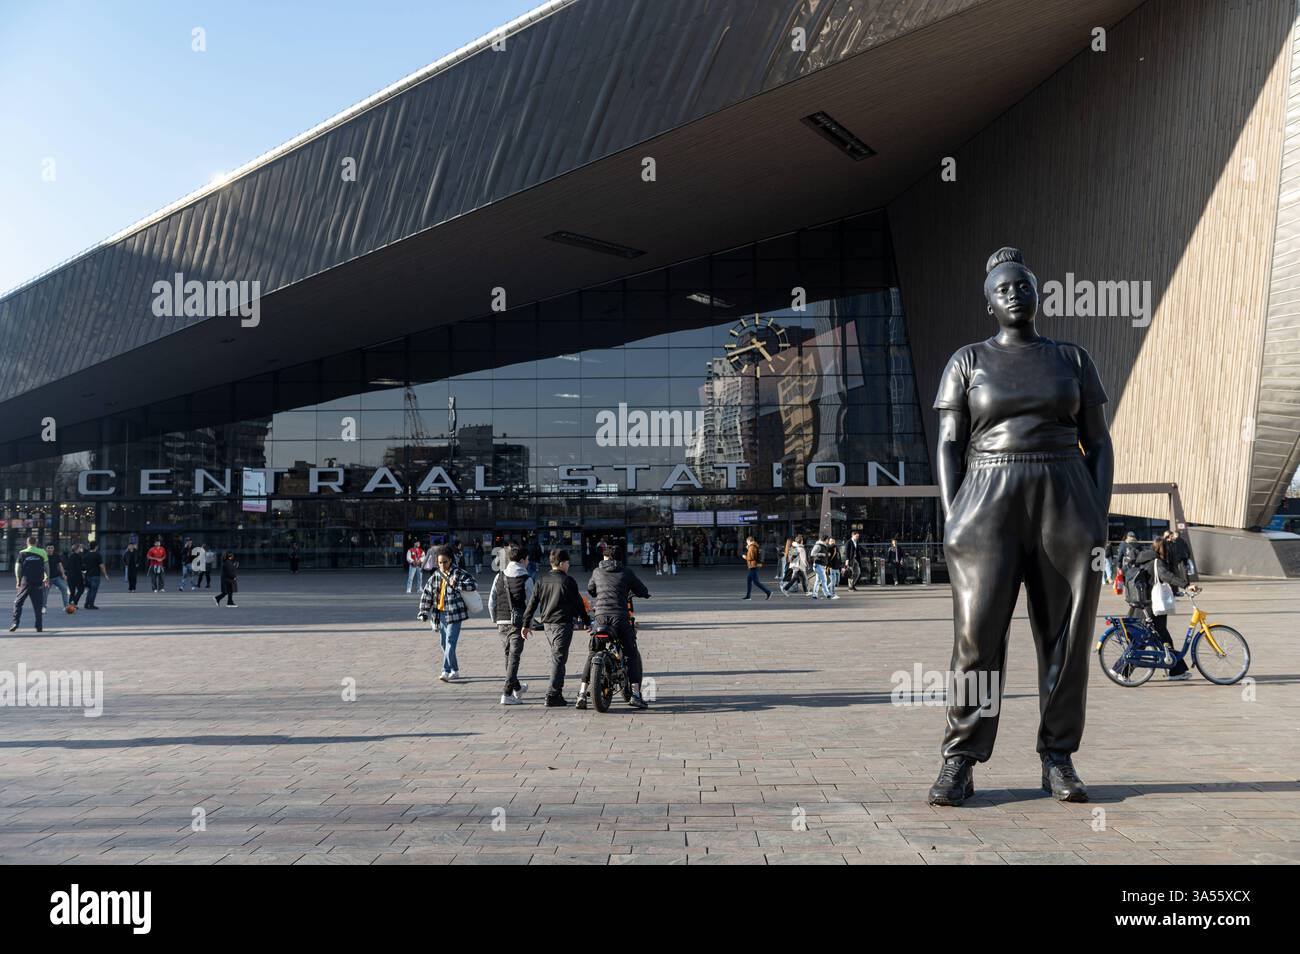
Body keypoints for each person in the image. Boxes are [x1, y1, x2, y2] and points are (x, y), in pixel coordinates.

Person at [927, 246, 1111, 807]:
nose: (1014, 293)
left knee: (1066, 637)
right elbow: (950, 444)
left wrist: (1095, 515)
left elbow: (1099, 443)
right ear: (989, 302)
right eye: (1003, 288)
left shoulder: (1072, 359)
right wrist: (955, 512)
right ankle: (961, 758)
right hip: (987, 495)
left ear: (1039, 295)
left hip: (1064, 494)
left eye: (1024, 286)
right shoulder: (967, 361)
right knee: (977, 636)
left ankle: (1058, 757)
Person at [576, 542, 651, 710]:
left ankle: (581, 693)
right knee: (631, 654)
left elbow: (591, 589)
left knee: (593, 653)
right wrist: (644, 594)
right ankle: (636, 695)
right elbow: (641, 589)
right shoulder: (626, 572)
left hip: (600, 618)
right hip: (620, 617)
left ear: (606, 557)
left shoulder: (596, 571)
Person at [521, 548, 591, 707]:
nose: (568, 566)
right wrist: (587, 621)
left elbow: (532, 603)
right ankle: (552, 694)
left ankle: (556, 692)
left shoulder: (542, 579)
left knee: (558, 657)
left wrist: (526, 624)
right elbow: (579, 604)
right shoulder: (568, 581)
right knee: (558, 659)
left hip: (547, 625)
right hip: (562, 624)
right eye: (567, 563)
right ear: (562, 563)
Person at [1124, 541, 1193, 679]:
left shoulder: (1145, 560)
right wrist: (1186, 585)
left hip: (1144, 606)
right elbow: (1166, 576)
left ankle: (1175, 670)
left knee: (1162, 638)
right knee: (1143, 640)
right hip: (1152, 608)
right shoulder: (1157, 562)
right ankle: (1122, 671)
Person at [417, 545, 478, 683]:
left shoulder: (458, 573)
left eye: (445, 562)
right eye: (439, 562)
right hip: (440, 614)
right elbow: (427, 593)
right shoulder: (436, 575)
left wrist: (457, 584)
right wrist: (424, 612)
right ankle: (454, 670)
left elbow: (473, 584)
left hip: (455, 614)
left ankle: (445, 670)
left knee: (450, 641)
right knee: (444, 643)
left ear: (450, 560)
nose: (442, 565)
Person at [488, 545, 534, 705]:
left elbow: (491, 601)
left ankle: (517, 688)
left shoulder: (499, 577)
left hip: (502, 622)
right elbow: (531, 604)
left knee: (509, 655)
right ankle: (507, 693)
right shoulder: (527, 579)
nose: (528, 562)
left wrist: (495, 619)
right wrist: (529, 624)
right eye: (527, 560)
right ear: (522, 561)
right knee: (514, 657)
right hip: (517, 624)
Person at [9, 536, 49, 633]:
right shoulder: (42, 552)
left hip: (25, 582)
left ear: (27, 543)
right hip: (38, 582)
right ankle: (39, 626)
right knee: (38, 605)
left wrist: (18, 580)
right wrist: (47, 577)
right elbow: (46, 566)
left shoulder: (22, 553)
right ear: (36, 543)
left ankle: (15, 623)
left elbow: (17, 568)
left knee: (18, 602)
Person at [741, 535, 771, 600]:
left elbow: (752, 557)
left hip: (753, 566)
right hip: (753, 565)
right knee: (749, 580)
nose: (747, 543)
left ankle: (768, 592)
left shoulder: (752, 547)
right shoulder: (753, 546)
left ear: (749, 541)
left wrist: (745, 557)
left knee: (755, 582)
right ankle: (748, 596)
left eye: (747, 542)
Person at [81, 542, 105, 609]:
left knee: (90, 590)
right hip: (95, 575)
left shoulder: (86, 555)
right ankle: (91, 604)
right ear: (96, 547)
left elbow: (82, 565)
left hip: (88, 575)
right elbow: (101, 565)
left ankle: (86, 603)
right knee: (93, 590)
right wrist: (105, 574)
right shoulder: (97, 555)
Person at [47, 546, 70, 613]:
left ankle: (66, 606)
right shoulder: (44, 556)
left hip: (56, 577)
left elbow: (60, 565)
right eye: (48, 548)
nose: (50, 549)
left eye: (51, 548)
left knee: (64, 588)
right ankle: (43, 607)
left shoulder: (56, 556)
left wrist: (63, 574)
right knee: (45, 593)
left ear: (53, 549)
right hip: (47, 578)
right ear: (46, 549)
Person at [66, 544, 85, 608]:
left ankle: (71, 605)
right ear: (77, 549)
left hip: (70, 576)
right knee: (81, 589)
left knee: (72, 591)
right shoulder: (78, 557)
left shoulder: (70, 556)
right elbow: (79, 567)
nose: (80, 549)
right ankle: (74, 602)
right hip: (77, 576)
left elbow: (67, 566)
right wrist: (85, 568)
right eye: (80, 548)